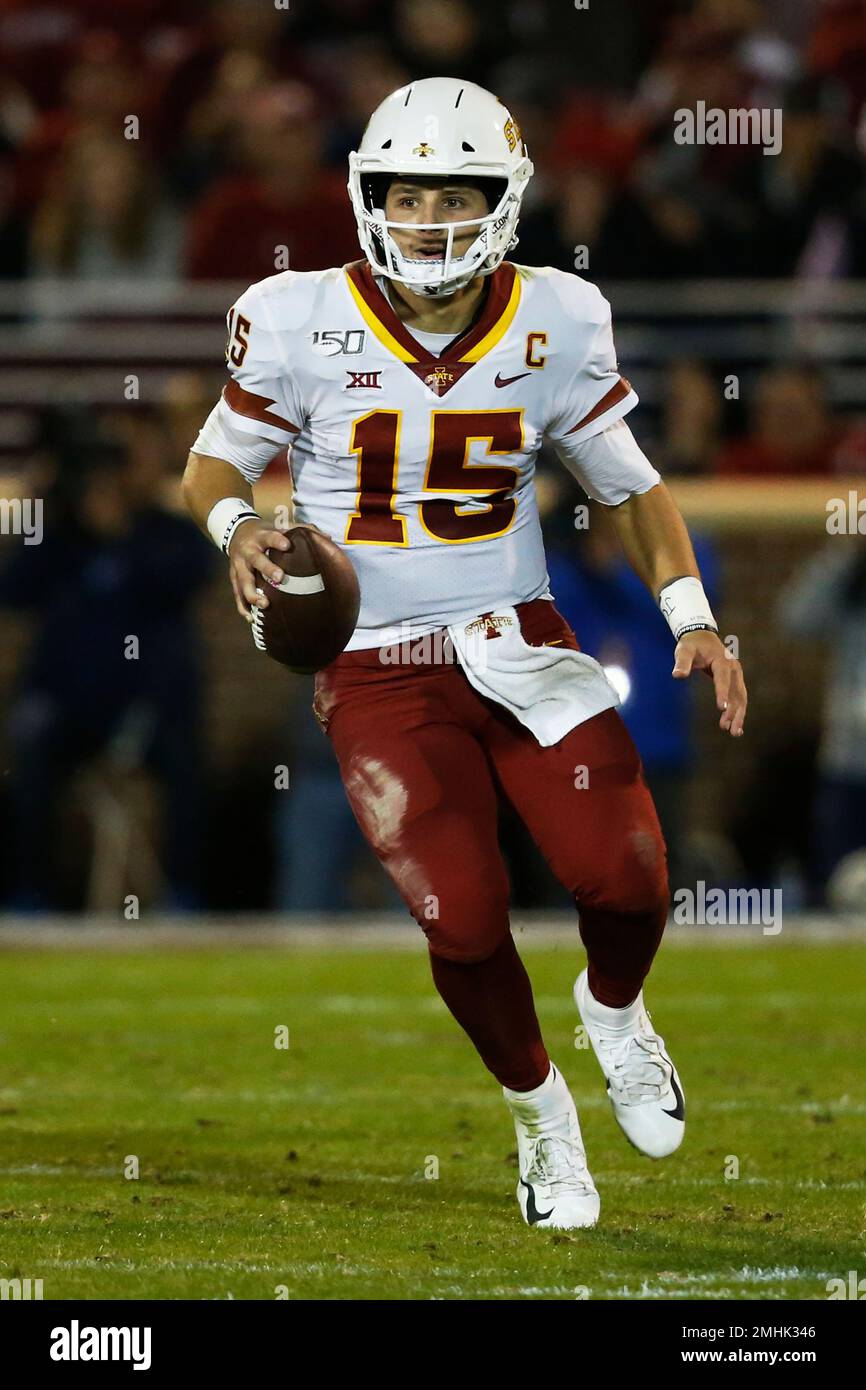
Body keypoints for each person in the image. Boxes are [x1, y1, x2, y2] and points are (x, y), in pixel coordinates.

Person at [182, 78, 747, 1231]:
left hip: (517, 639)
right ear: (363, 194)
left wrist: (691, 613)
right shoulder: (291, 315)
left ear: (504, 200)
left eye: (454, 191)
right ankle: (542, 1118)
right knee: (465, 915)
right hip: (375, 666)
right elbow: (212, 463)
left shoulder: (556, 315)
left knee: (629, 876)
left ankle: (615, 1009)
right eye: (404, 191)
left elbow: (626, 486)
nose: (426, 215)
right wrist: (236, 527)